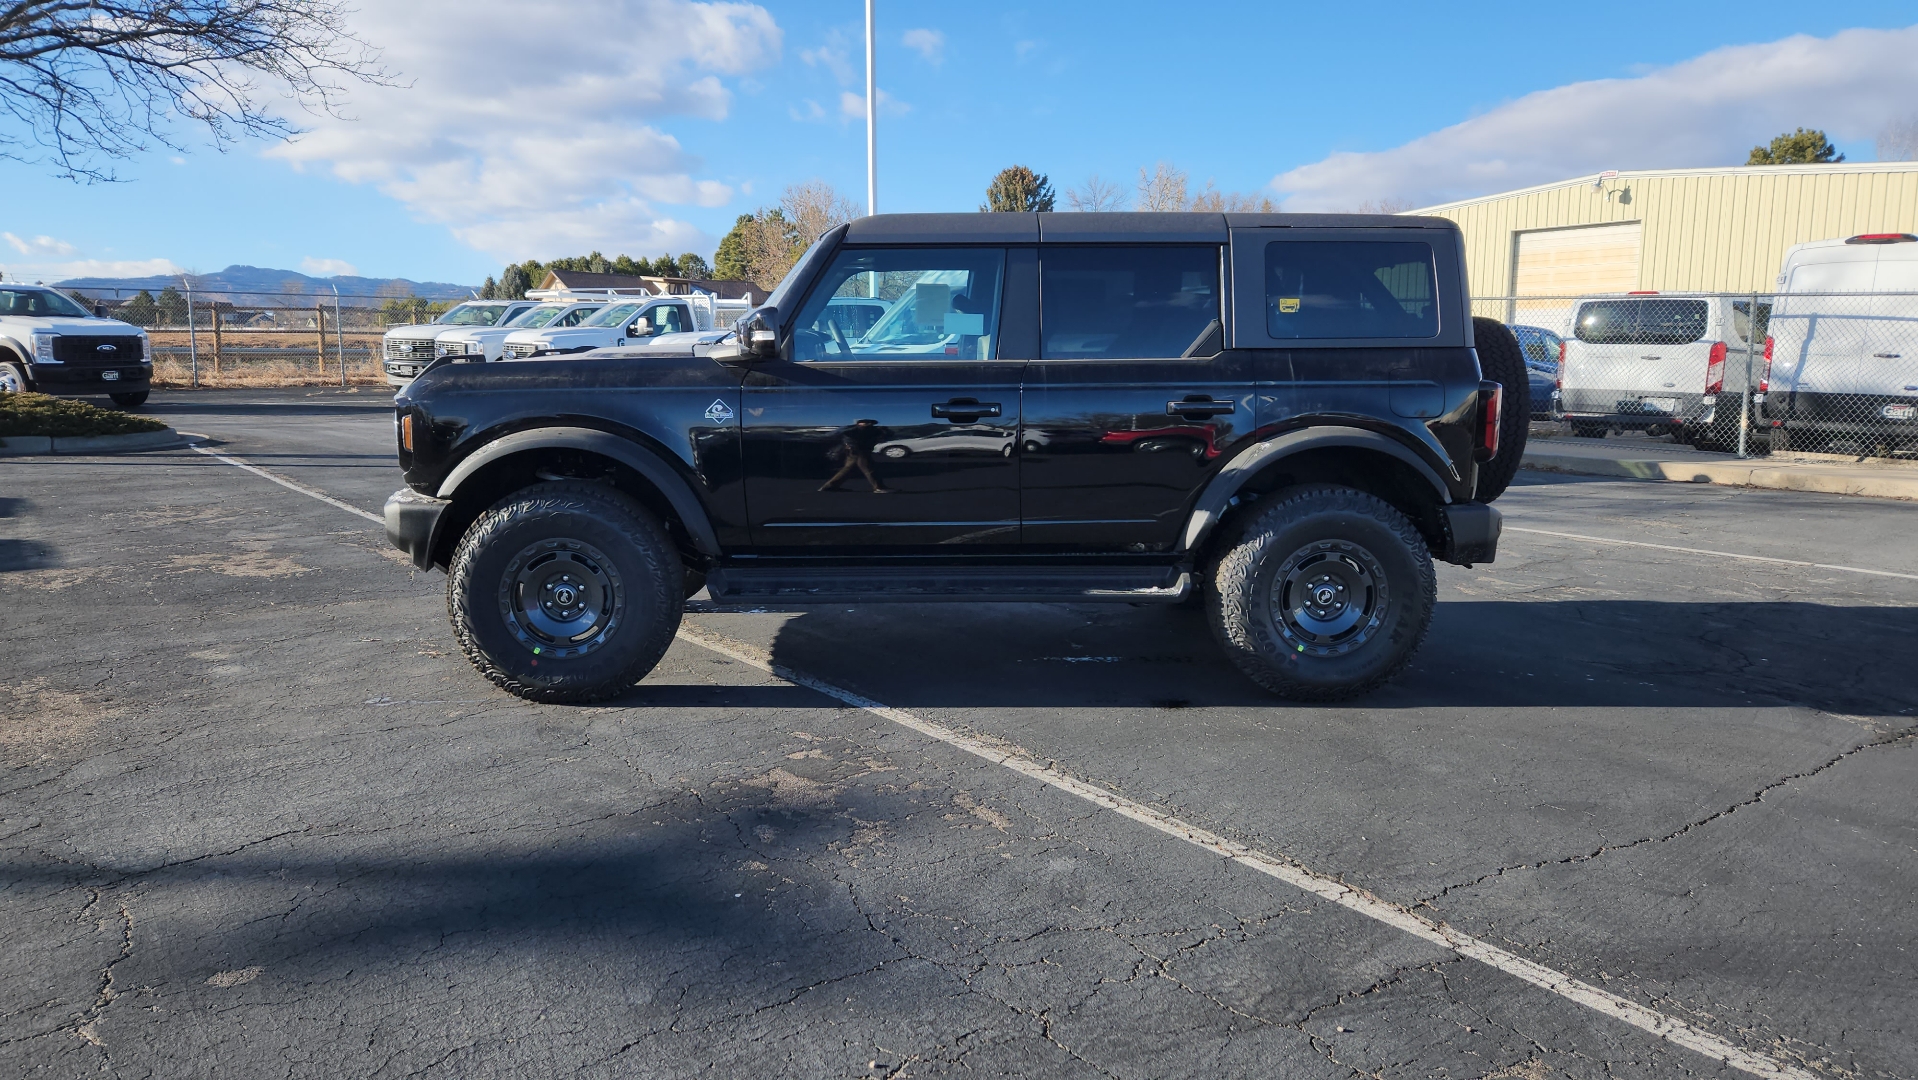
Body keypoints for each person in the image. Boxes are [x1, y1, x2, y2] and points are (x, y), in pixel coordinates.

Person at [819, 418, 895, 493]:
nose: (869, 424)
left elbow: (889, 435)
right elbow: (832, 434)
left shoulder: (873, 430)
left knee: (848, 470)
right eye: (866, 422)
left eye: (871, 423)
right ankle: (879, 487)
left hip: (863, 450)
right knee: (869, 468)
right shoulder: (851, 429)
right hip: (856, 450)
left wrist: (884, 430)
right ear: (859, 423)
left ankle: (830, 487)